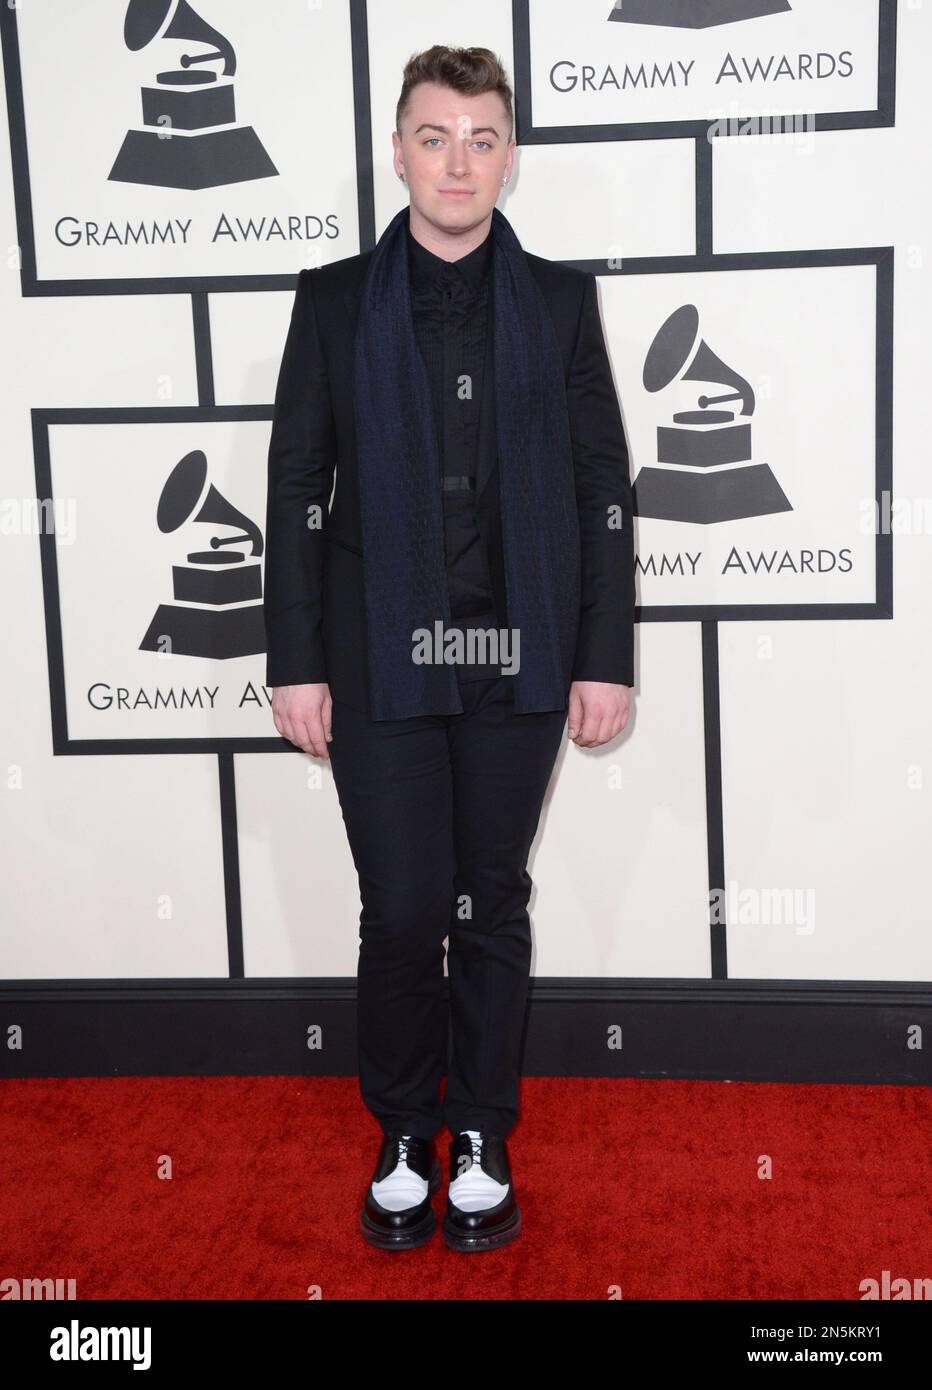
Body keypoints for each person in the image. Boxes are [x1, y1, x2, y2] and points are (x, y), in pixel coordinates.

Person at [264, 45, 635, 1253]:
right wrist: (296, 659)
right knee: (402, 904)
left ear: (508, 156)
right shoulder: (328, 302)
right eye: (435, 136)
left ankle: (476, 1124)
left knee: (490, 902)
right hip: (376, 660)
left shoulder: (561, 302)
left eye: (481, 138)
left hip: (518, 658)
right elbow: (293, 489)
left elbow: (598, 492)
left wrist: (603, 653)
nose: (458, 160)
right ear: (398, 152)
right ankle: (399, 1126)